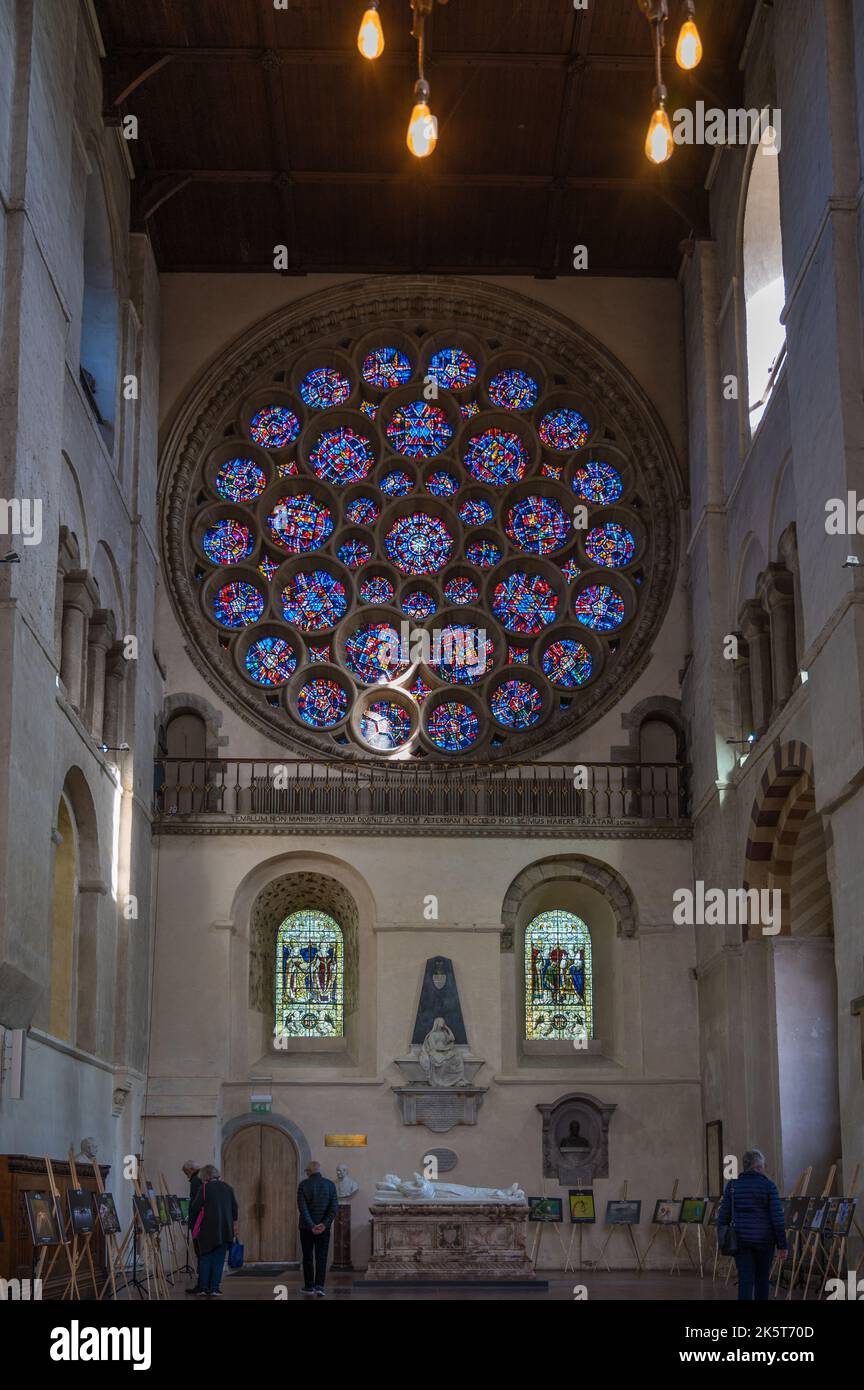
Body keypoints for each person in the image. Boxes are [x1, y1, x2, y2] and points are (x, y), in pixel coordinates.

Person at [717, 1148, 787, 1300]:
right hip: (765, 1241)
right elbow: (777, 1218)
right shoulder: (769, 1186)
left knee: (745, 1281)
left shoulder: (733, 1186)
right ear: (759, 1167)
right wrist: (782, 1245)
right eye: (763, 1166)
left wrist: (723, 1239)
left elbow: (723, 1217)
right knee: (762, 1281)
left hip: (741, 1241)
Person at [188, 1163, 238, 1297]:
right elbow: (235, 1208)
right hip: (225, 1229)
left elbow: (195, 1207)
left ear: (205, 1176)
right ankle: (215, 1288)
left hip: (207, 1230)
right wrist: (234, 1224)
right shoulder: (228, 1188)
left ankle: (204, 1288)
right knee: (219, 1260)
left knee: (205, 1258)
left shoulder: (204, 1188)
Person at [297, 1161, 338, 1296]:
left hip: (306, 1228)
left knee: (308, 1256)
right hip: (323, 1229)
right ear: (319, 1170)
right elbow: (333, 1208)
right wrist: (324, 1225)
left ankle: (309, 1287)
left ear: (309, 1172)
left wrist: (311, 1225)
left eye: (306, 1171)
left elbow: (303, 1208)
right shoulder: (330, 1185)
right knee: (322, 1257)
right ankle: (320, 1286)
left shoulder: (303, 1185)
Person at [182, 1160, 202, 1295]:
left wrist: (191, 1221)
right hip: (205, 1224)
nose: (186, 1176)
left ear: (190, 1169)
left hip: (198, 1224)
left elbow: (195, 1203)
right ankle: (207, 1283)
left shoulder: (196, 1180)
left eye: (186, 1173)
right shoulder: (203, 1179)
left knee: (200, 1254)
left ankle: (201, 1285)